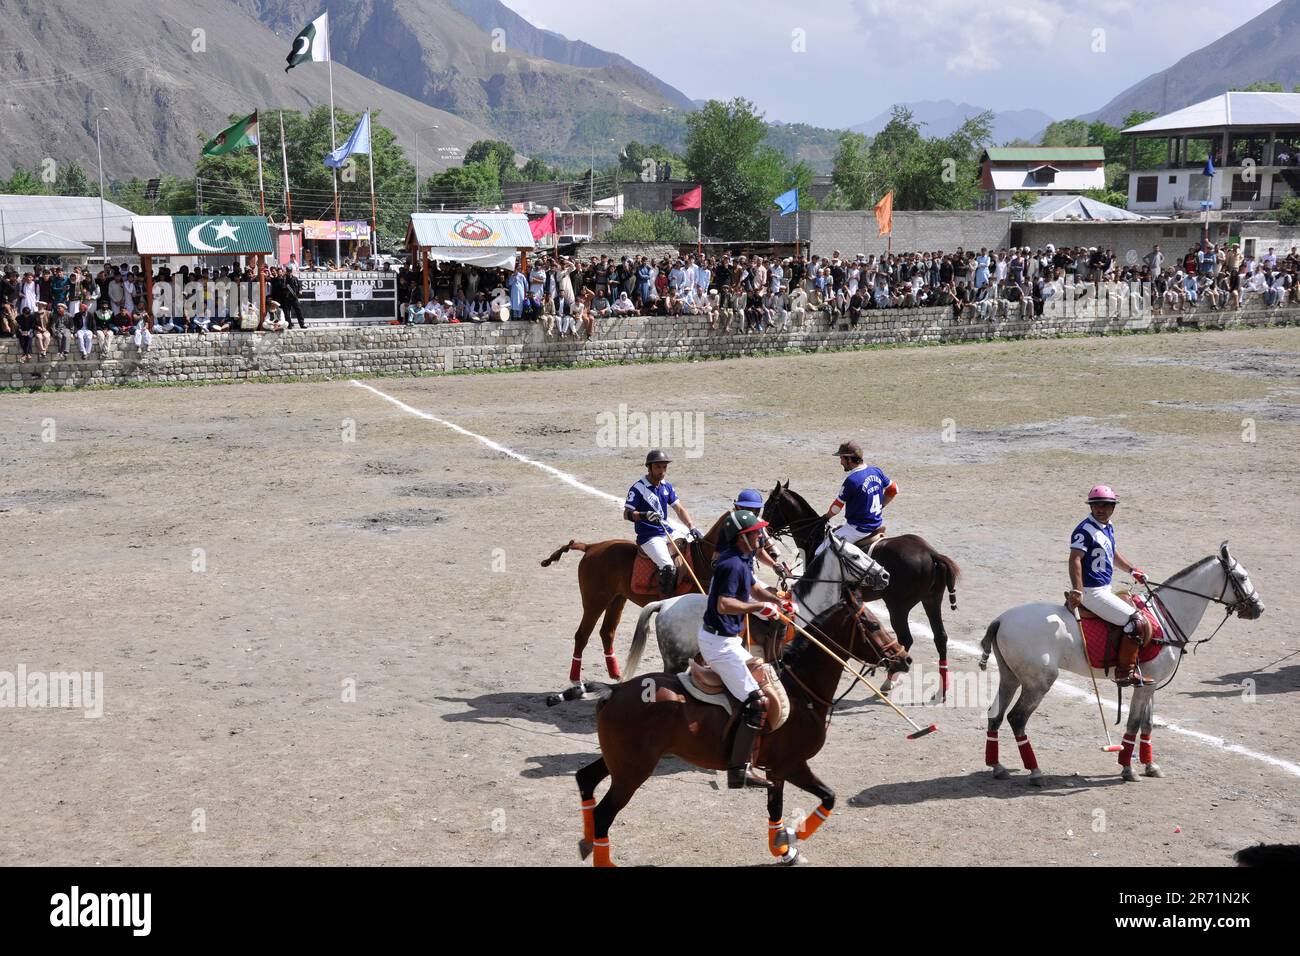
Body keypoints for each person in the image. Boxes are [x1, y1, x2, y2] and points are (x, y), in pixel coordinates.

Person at [700, 510, 791, 789]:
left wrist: (778, 599)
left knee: (764, 677)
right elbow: (723, 604)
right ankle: (738, 770)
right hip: (719, 645)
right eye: (755, 533)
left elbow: (753, 587)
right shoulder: (730, 565)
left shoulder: (741, 560)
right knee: (757, 702)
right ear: (742, 537)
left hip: (728, 641)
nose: (759, 537)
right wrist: (757, 607)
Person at [1065, 485, 1152, 687]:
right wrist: (1077, 589)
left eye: (1106, 505)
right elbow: (1075, 559)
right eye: (1096, 505)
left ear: (1113, 507)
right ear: (1091, 507)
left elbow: (1112, 552)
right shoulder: (1084, 531)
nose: (1100, 509)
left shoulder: (1107, 526)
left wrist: (1132, 570)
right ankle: (1125, 673)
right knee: (1136, 622)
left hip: (1105, 588)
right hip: (1092, 592)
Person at [623, 449, 702, 597]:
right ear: (649, 467)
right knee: (668, 567)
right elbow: (626, 514)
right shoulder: (638, 488)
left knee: (695, 549)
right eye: (658, 467)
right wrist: (643, 515)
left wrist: (692, 526)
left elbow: (679, 508)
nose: (662, 471)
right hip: (649, 537)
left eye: (664, 467)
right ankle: (664, 602)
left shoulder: (667, 486)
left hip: (667, 531)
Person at [817, 441, 897, 557]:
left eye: (841, 459)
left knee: (820, 552)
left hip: (858, 531)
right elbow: (894, 489)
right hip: (876, 525)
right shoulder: (876, 471)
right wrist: (880, 506)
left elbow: (836, 507)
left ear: (849, 459)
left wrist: (825, 518)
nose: (840, 462)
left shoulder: (852, 480)